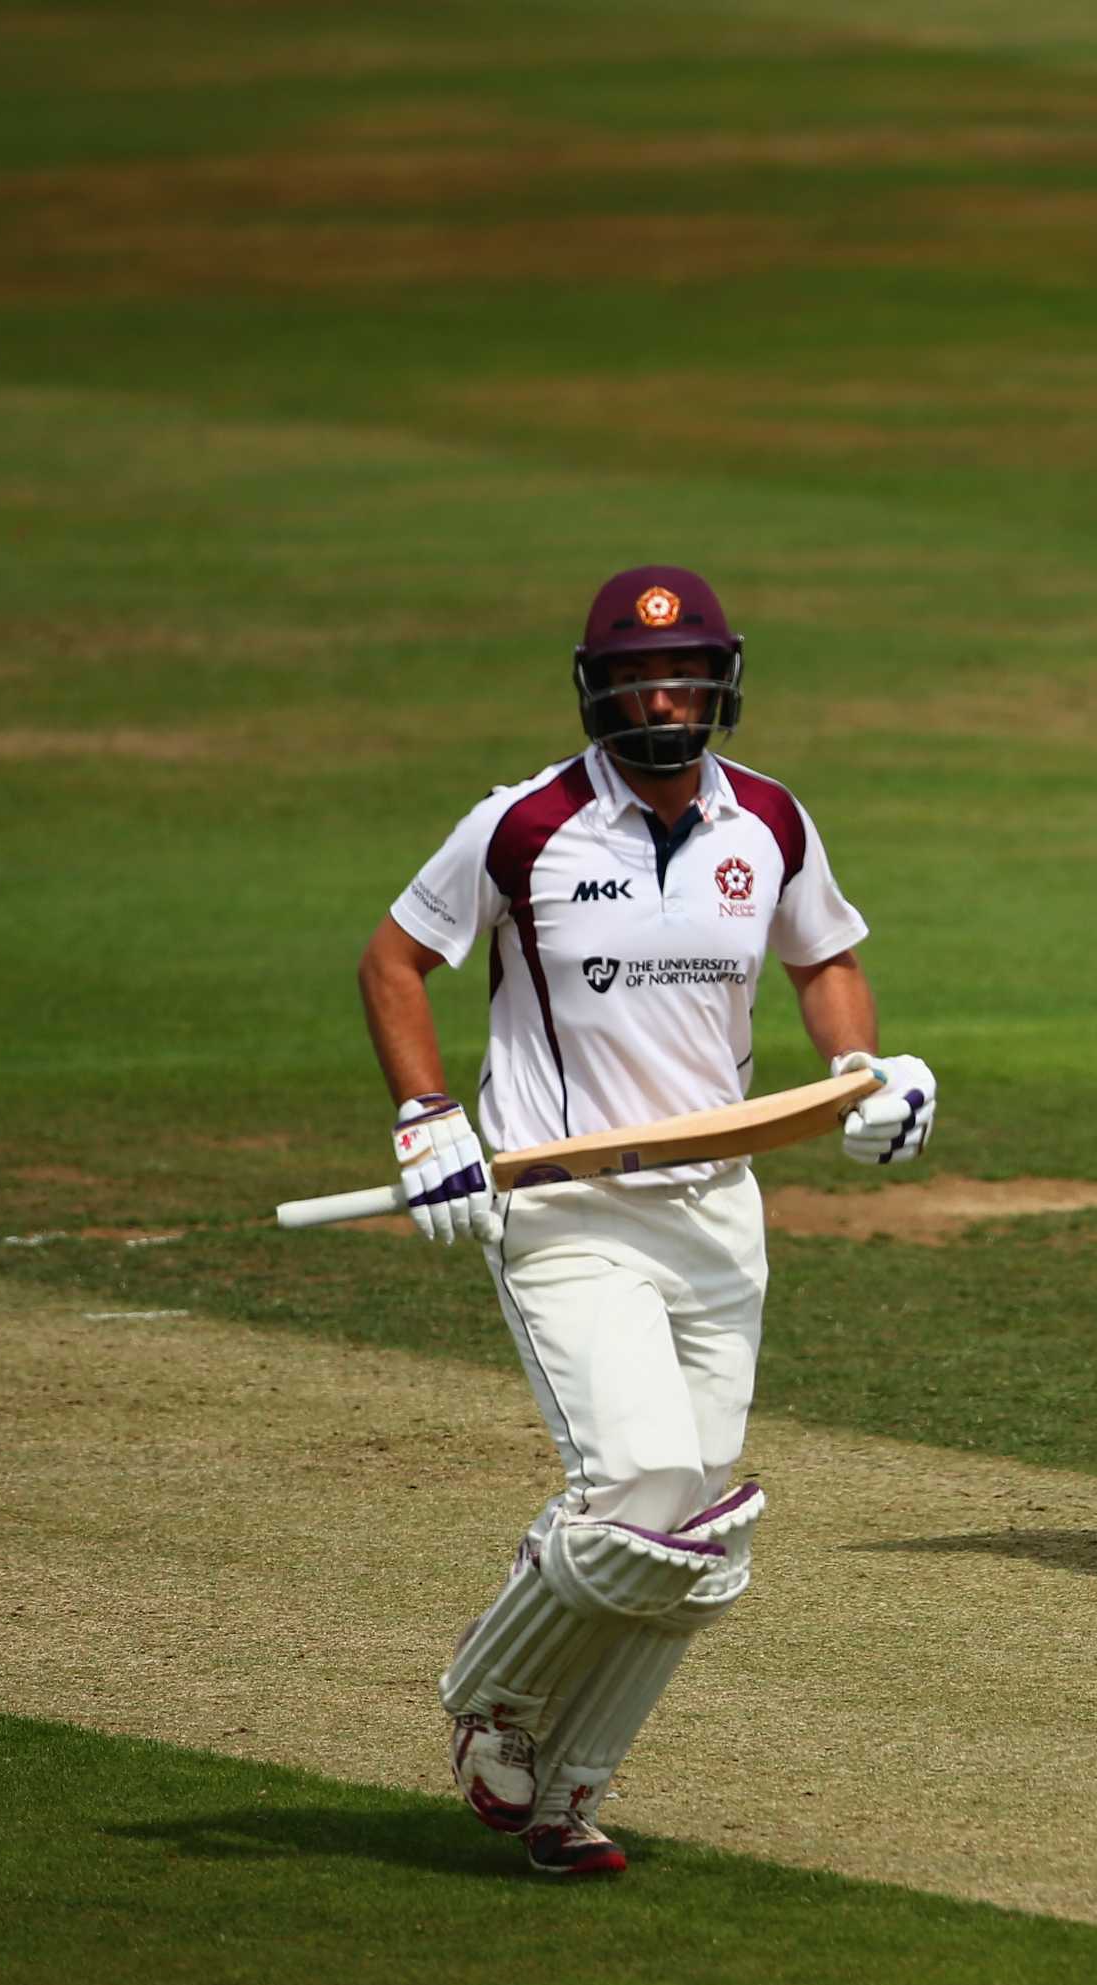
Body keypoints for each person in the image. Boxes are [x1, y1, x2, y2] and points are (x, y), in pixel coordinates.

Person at [358, 565, 938, 1873]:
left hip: (718, 1211)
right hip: (567, 1209)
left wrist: (859, 1072)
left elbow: (826, 958)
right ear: (595, 688)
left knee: (696, 1530)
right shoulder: (524, 825)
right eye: (632, 679)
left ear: (723, 682)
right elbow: (394, 958)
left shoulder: (772, 823)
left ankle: (565, 1797)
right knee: (632, 1494)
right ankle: (489, 1703)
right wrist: (425, 1115)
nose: (658, 697)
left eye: (679, 677)